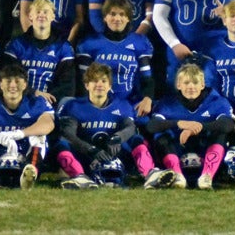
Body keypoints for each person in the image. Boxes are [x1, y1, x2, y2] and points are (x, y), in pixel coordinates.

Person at [54, 62, 176, 190]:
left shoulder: (122, 105)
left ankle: (149, 174)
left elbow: (130, 127)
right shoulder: (74, 106)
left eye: (103, 81)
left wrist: (117, 138)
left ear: (109, 85)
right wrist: (89, 149)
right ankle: (79, 176)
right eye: (94, 81)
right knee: (62, 145)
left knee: (137, 139)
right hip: (85, 154)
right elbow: (68, 134)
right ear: (86, 85)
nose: (99, 84)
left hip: (113, 154)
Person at [146, 64, 235, 190]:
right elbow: (152, 126)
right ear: (178, 85)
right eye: (186, 82)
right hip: (178, 148)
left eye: (195, 82)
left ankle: (207, 176)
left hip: (204, 147)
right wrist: (179, 123)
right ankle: (177, 176)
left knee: (220, 134)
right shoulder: (167, 102)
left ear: (202, 85)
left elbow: (228, 125)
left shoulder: (216, 101)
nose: (191, 86)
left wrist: (198, 127)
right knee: (161, 136)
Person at [0, 64, 55, 190]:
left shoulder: (36, 103)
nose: (13, 85)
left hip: (25, 150)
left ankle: (30, 172)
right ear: (0, 84)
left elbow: (48, 124)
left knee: (39, 138)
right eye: (8, 81)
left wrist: (21, 133)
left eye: (17, 81)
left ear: (25, 84)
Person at [76, 0, 154, 116]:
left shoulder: (139, 43)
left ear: (128, 18)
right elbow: (84, 82)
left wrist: (147, 98)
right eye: (112, 14)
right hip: (98, 104)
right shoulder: (90, 43)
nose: (117, 18)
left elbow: (147, 79)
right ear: (105, 17)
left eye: (122, 14)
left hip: (130, 104)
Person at [2, 0, 76, 106]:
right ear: (30, 16)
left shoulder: (63, 47)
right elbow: (8, 78)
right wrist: (33, 93)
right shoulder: (16, 45)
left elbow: (67, 86)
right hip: (20, 102)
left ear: (53, 16)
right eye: (37, 11)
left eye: (45, 12)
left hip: (50, 105)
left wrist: (47, 100)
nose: (41, 15)